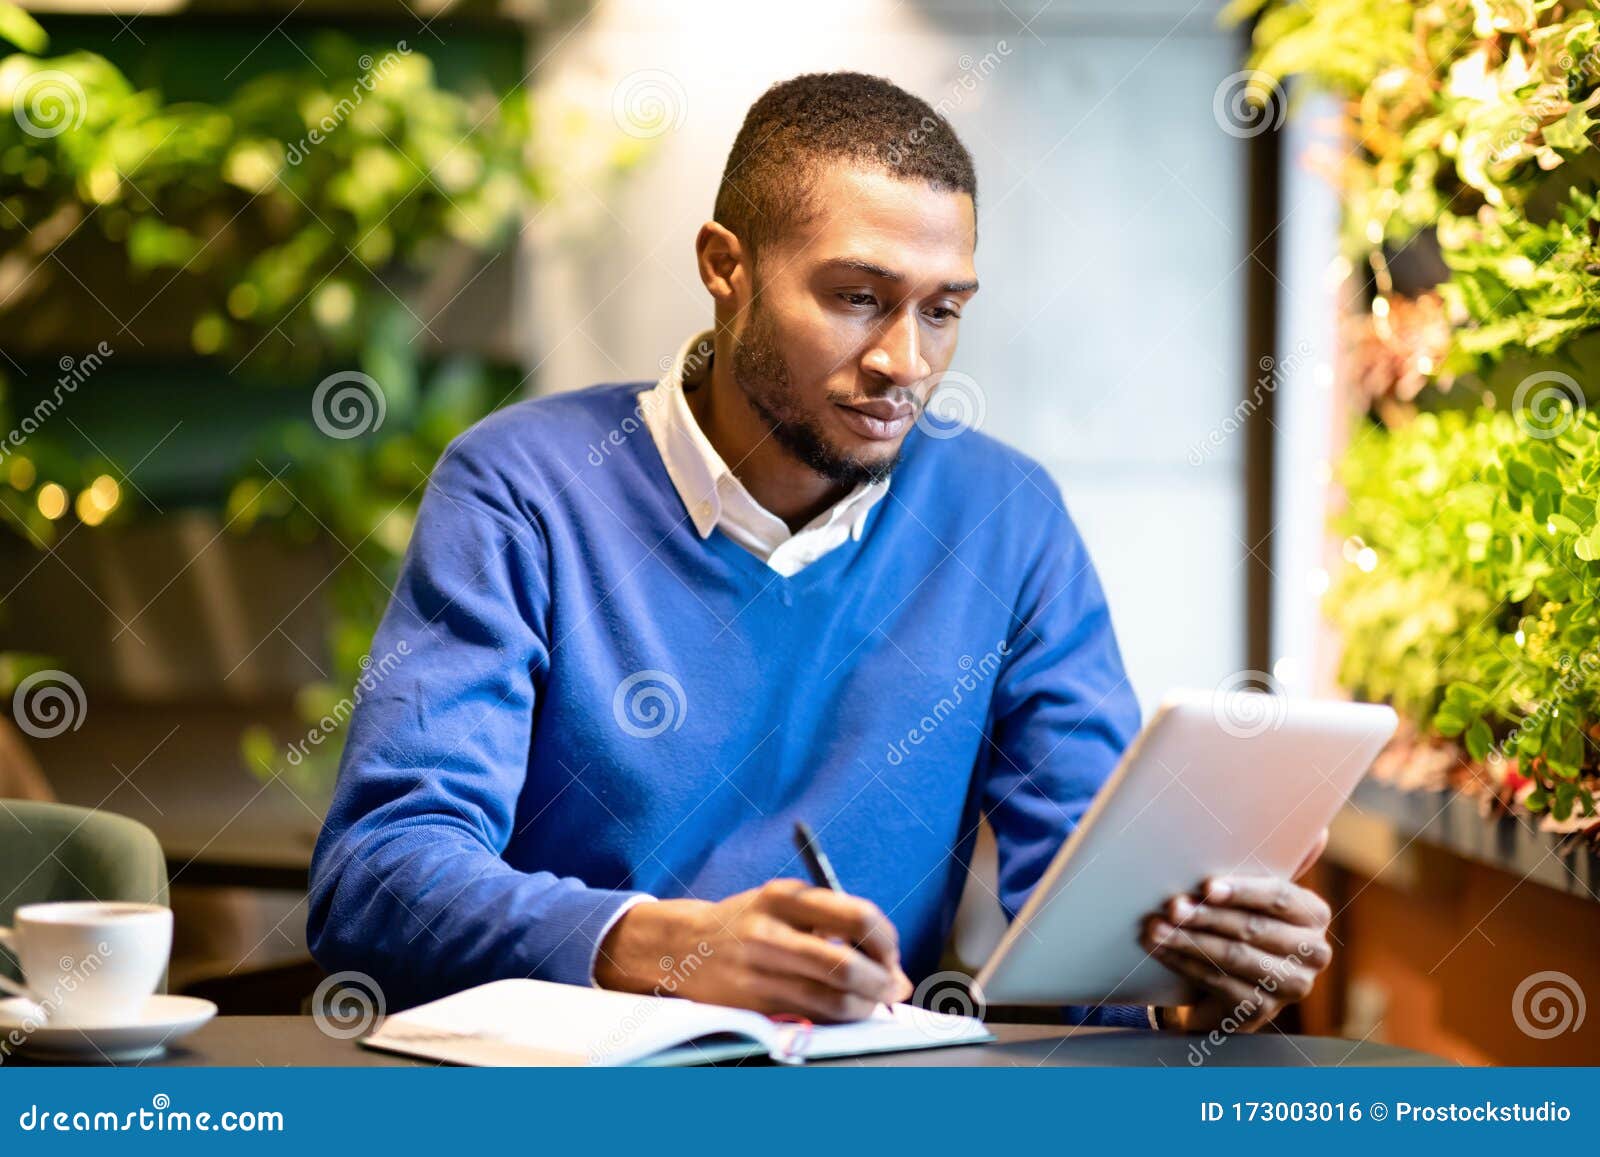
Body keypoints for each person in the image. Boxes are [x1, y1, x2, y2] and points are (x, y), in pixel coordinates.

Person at [307, 71, 1334, 1032]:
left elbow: (1079, 899)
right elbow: (378, 874)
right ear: (725, 268)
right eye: (856, 297)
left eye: (942, 310)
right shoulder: (523, 486)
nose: (904, 361)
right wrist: (665, 945)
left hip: (863, 1094)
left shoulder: (1004, 516)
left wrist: (1176, 977)